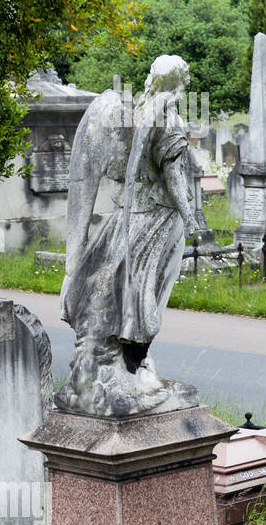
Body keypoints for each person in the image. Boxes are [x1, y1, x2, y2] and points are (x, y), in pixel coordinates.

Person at [58, 55, 199, 416]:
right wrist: (191, 215)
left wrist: (72, 261)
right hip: (156, 221)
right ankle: (120, 368)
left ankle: (110, 367)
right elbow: (173, 177)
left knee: (117, 285)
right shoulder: (169, 115)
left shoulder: (129, 112)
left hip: (125, 220)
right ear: (179, 83)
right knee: (140, 296)